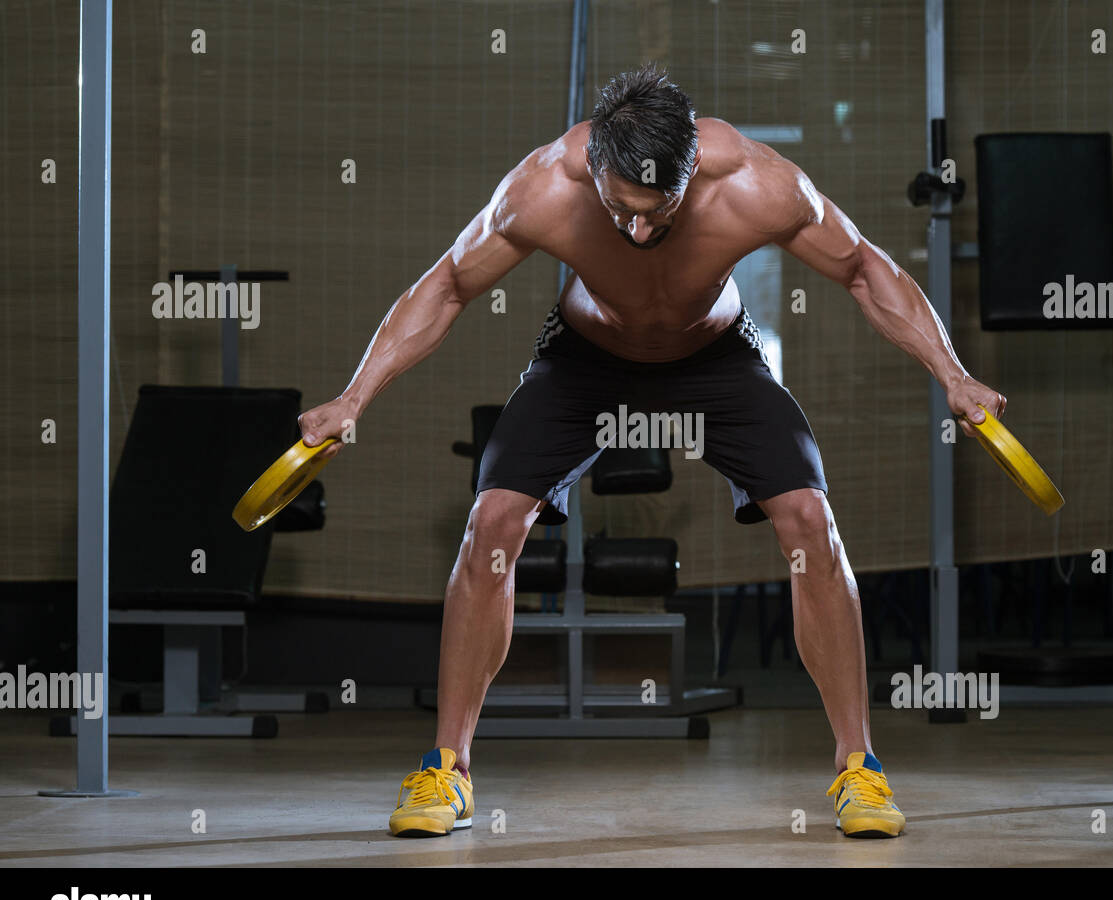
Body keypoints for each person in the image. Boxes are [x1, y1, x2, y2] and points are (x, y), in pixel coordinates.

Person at [299, 63, 1006, 840]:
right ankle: (447, 767)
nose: (637, 233)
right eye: (620, 211)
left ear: (693, 170)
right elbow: (446, 287)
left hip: (716, 357)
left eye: (658, 214)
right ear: (596, 165)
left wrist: (954, 374)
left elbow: (868, 270)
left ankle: (859, 767)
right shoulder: (543, 188)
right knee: (490, 522)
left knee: (811, 519)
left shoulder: (758, 183)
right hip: (583, 357)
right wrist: (352, 398)